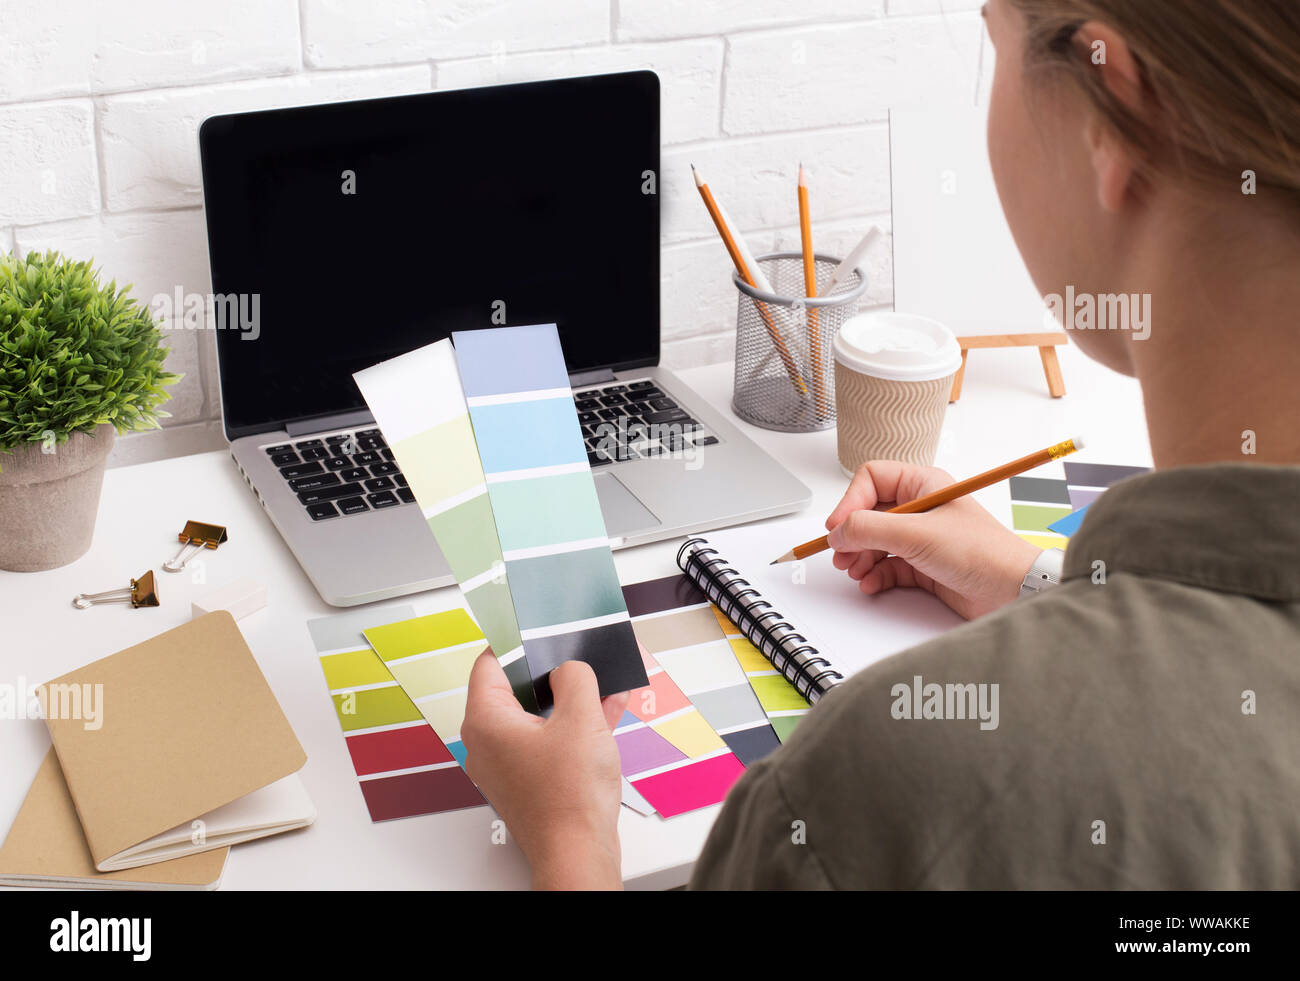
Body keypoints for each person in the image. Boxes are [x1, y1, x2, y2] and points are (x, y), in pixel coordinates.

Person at [459, 0, 1300, 889]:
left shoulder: (879, 786)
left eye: (994, 49)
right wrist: (1034, 584)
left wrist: (567, 835)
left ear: (1115, 111)